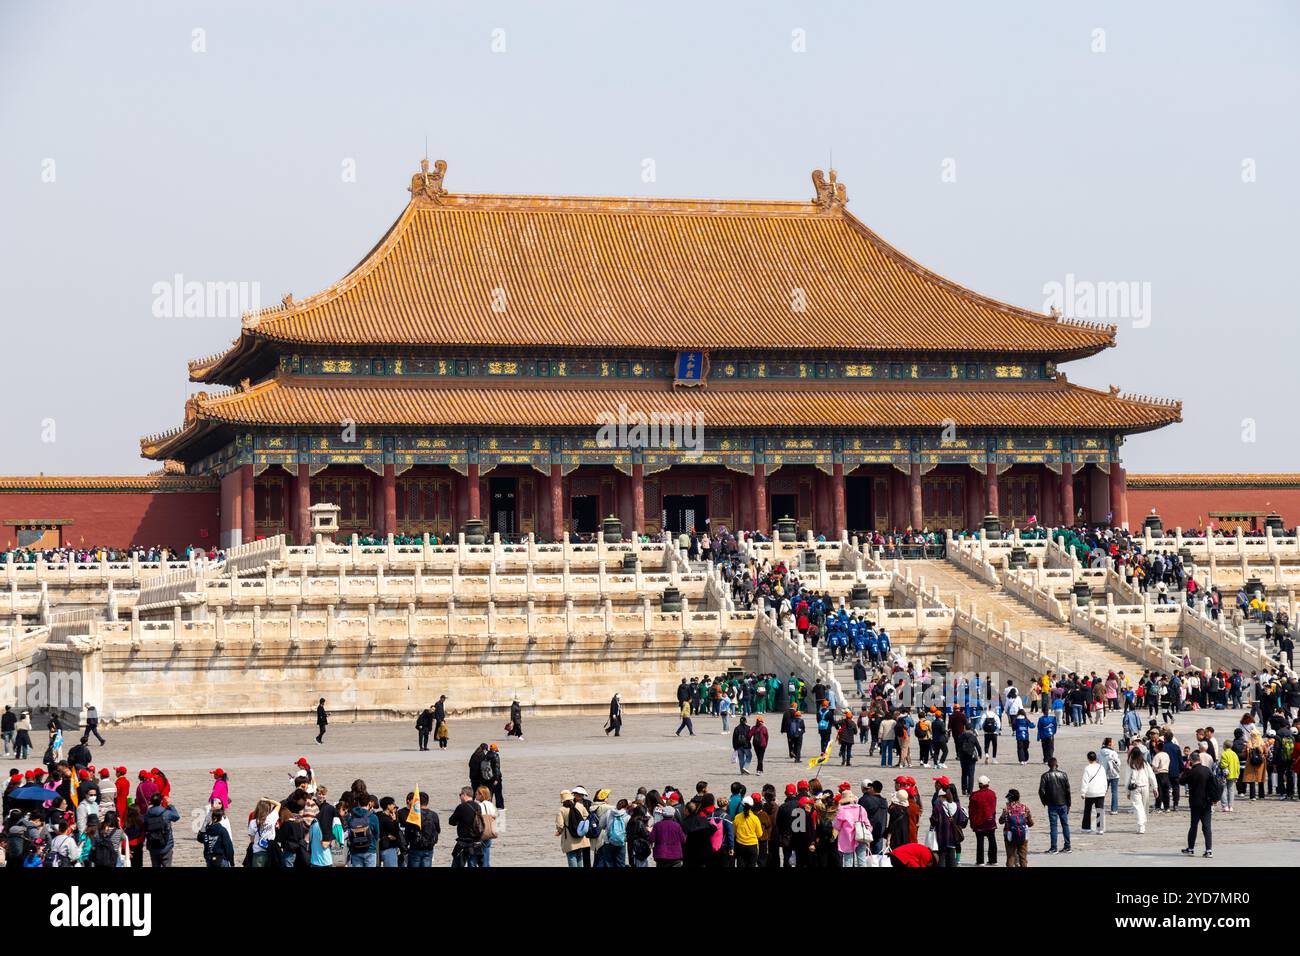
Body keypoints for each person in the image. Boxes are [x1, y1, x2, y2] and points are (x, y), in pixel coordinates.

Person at [1181, 759, 1215, 858]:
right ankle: (1209, 850)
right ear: (1200, 760)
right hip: (1207, 802)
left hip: (1195, 802)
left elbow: (1181, 781)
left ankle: (1191, 849)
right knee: (1207, 826)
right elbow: (1213, 783)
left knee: (1194, 825)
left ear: (1191, 761)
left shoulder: (1191, 771)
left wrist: (1186, 770)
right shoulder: (1207, 770)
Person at [1037, 757, 1071, 854]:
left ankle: (1054, 847)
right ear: (1057, 764)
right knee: (1065, 825)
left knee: (1053, 826)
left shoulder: (1045, 776)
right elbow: (1068, 790)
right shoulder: (1063, 775)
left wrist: (1045, 802)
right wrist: (1069, 803)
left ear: (1048, 765)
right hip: (1063, 802)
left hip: (1052, 804)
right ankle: (1067, 846)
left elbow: (1041, 791)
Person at [398, 790, 440, 866]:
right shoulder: (434, 815)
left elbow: (407, 832)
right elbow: (438, 830)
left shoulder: (414, 815)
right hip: (429, 847)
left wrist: (405, 845)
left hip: (415, 847)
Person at [831, 788, 871, 867]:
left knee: (848, 860)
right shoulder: (861, 808)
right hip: (861, 836)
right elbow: (867, 824)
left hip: (847, 839)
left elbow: (836, 826)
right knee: (861, 860)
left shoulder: (842, 810)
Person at [449, 786, 485, 868]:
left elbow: (451, 821)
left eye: (460, 794)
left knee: (457, 864)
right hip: (476, 842)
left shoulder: (461, 807)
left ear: (464, 794)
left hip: (463, 842)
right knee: (472, 864)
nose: (460, 796)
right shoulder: (478, 806)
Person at [998, 788, 1034, 867]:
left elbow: (1000, 821)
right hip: (1023, 835)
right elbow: (1031, 823)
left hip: (1009, 835)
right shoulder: (1024, 808)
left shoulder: (1007, 809)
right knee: (1023, 858)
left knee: (1010, 857)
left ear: (1010, 798)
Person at [143, 793, 180, 867]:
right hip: (166, 845)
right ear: (161, 802)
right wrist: (169, 804)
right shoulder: (166, 813)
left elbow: (143, 824)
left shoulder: (147, 814)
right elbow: (176, 816)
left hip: (152, 845)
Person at [1126, 747, 1157, 834]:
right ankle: (1142, 826)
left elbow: (1127, 779)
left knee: (1139, 807)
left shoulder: (1130, 764)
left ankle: (1141, 824)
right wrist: (1155, 787)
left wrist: (1127, 791)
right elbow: (1151, 776)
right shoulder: (1145, 763)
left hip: (1135, 787)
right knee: (1143, 807)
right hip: (1145, 786)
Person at [969, 775, 998, 866]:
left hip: (979, 821)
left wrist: (971, 822)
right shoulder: (992, 793)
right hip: (990, 820)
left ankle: (980, 861)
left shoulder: (975, 795)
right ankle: (993, 860)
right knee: (992, 840)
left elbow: (971, 810)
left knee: (980, 842)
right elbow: (993, 808)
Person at [557, 789, 590, 867]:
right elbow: (587, 816)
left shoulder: (561, 810)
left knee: (571, 856)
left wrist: (559, 831)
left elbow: (560, 825)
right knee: (579, 855)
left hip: (569, 837)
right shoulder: (579, 805)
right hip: (580, 835)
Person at [1080, 751, 1107, 834]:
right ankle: (1100, 828)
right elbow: (1104, 779)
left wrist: (1083, 792)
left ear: (1088, 759)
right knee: (1100, 810)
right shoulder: (1101, 767)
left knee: (1087, 810)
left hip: (1090, 792)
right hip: (1100, 792)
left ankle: (1086, 827)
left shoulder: (1087, 768)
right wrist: (1105, 790)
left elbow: (1085, 781)